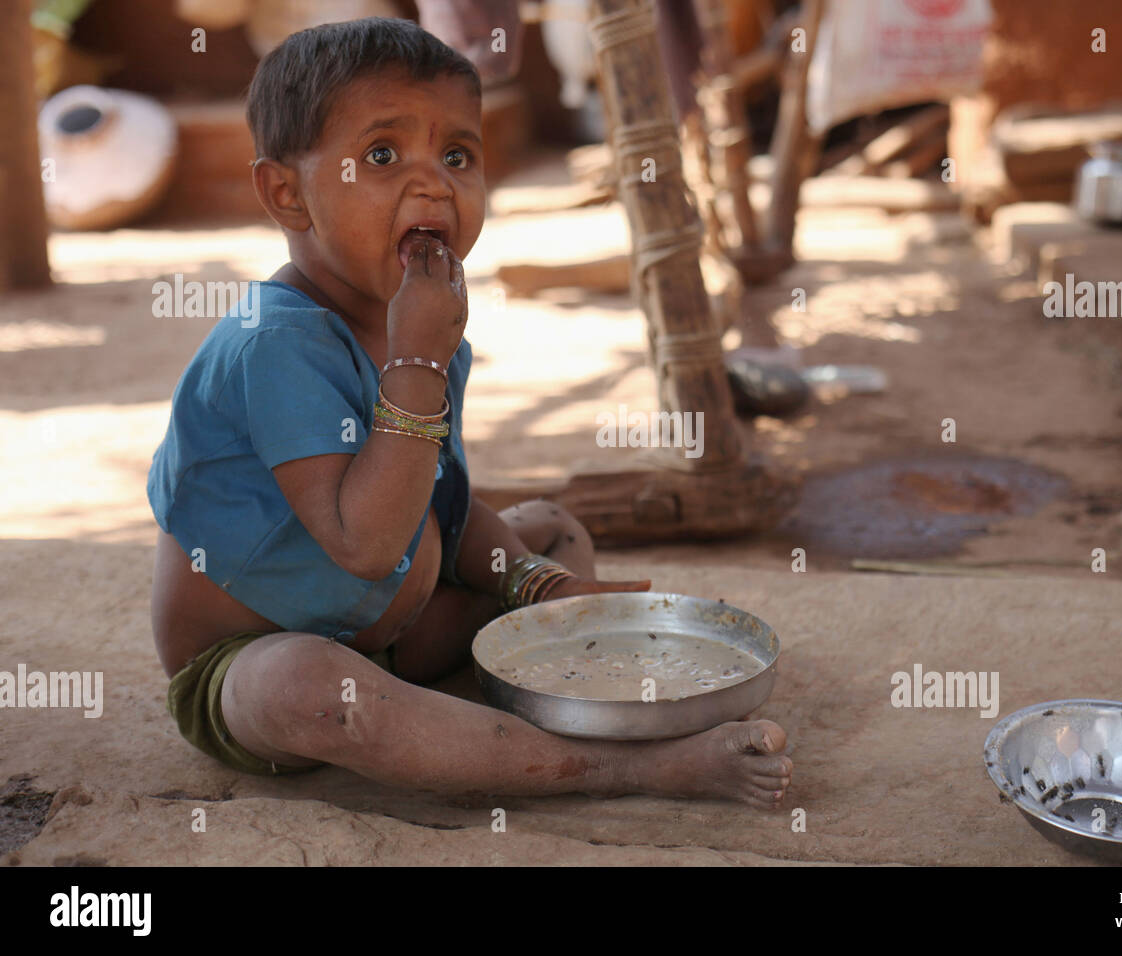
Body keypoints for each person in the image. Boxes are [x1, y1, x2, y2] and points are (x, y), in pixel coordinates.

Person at [147, 17, 791, 808]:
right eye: (382, 156)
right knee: (310, 688)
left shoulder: (422, 320)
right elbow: (367, 543)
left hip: (402, 631)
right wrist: (416, 363)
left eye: (457, 155)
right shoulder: (276, 346)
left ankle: (486, 718)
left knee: (552, 531)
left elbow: (442, 504)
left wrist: (535, 583)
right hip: (255, 660)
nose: (434, 185)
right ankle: (629, 770)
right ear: (288, 194)